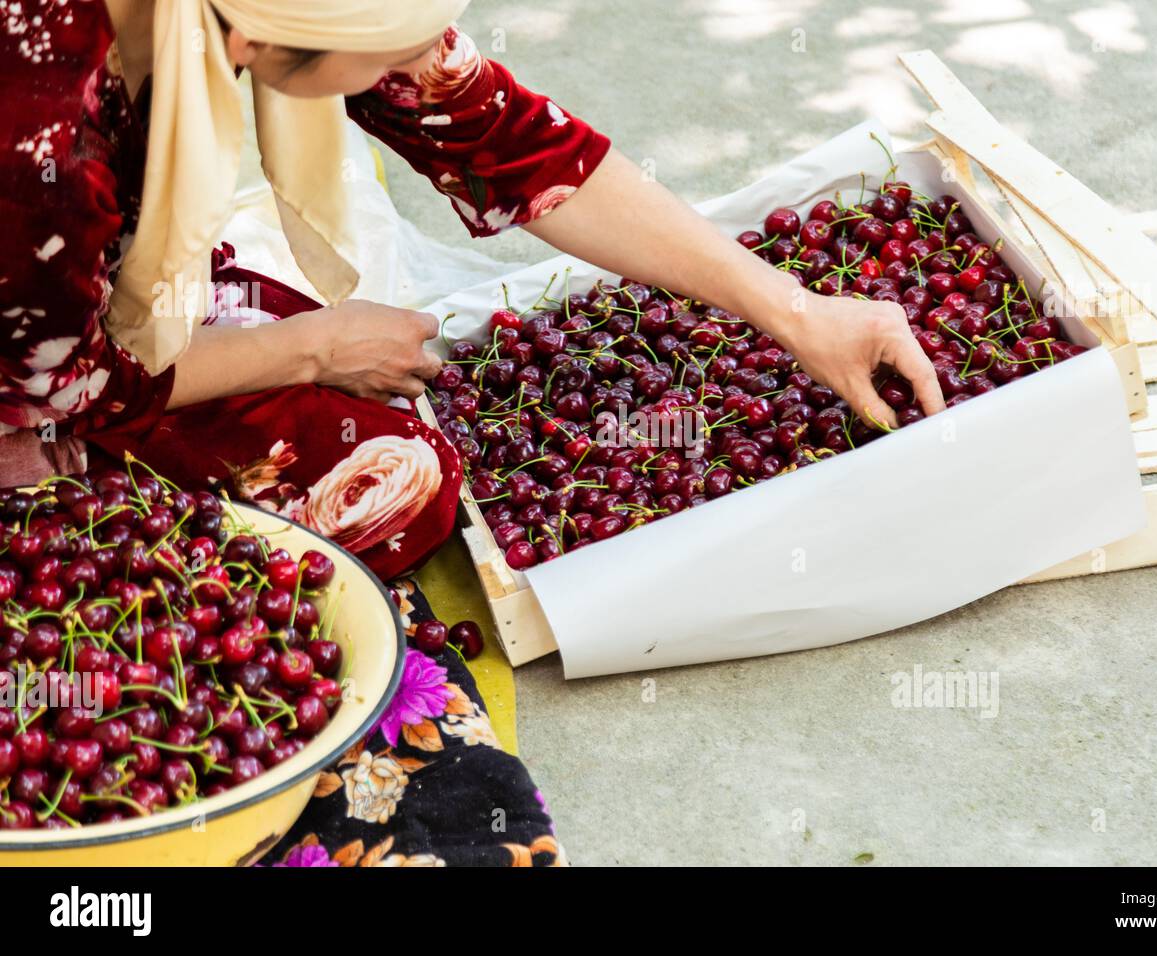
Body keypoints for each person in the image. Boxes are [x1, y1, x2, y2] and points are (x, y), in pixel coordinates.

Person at [0, 0, 941, 862]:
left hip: (50, 306)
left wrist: (794, 309)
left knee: (388, 468)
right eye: (396, 53)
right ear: (246, 46)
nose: (430, 60)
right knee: (186, 532)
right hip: (35, 349)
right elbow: (82, 384)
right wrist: (311, 349)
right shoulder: (34, 141)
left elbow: (504, 133)